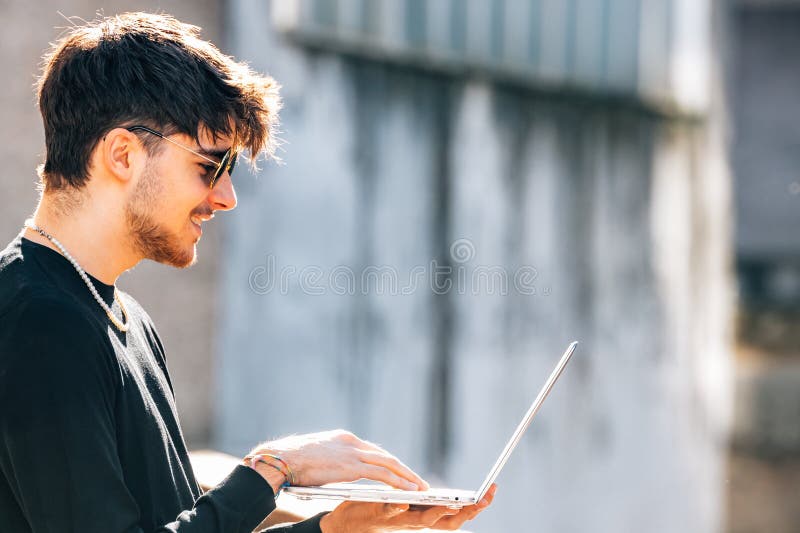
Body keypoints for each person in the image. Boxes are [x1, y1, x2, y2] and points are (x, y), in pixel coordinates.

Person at [0, 12, 496, 533]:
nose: (226, 197)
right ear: (122, 154)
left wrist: (339, 528)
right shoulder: (39, 322)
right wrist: (271, 469)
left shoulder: (123, 320)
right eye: (209, 166)